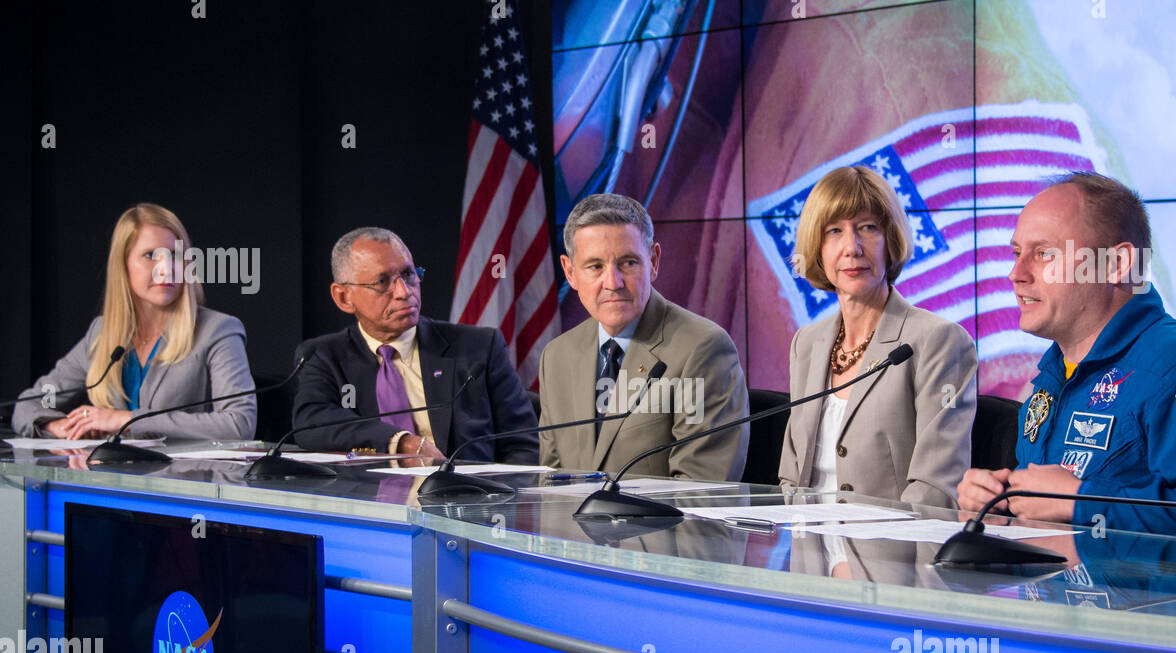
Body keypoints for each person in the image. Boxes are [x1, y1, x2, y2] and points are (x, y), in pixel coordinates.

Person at [957, 172, 1176, 544]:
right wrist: (1000, 504)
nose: (1015, 274)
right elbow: (1051, 521)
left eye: (1044, 254)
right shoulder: (1053, 377)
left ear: (1117, 264)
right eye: (1016, 253)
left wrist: (1082, 502)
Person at [778, 166, 977, 507]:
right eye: (833, 231)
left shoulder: (938, 342)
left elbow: (935, 487)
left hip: (895, 553)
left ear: (891, 240)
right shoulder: (806, 344)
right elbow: (790, 475)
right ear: (816, 247)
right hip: (808, 550)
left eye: (868, 228)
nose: (851, 248)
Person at [537, 194, 749, 480]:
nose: (613, 283)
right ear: (570, 272)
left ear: (653, 261)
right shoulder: (556, 356)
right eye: (595, 266)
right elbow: (549, 484)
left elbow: (700, 493)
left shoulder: (702, 348)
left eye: (628, 263)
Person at [292, 227, 537, 462]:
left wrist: (499, 496)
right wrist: (400, 442)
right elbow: (312, 422)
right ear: (344, 297)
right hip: (370, 500)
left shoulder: (479, 348)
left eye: (409, 275)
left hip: (467, 498)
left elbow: (523, 444)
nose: (403, 292)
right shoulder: (323, 356)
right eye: (382, 282)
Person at [11, 203, 255, 440]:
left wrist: (126, 420)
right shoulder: (101, 334)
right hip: (108, 477)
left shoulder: (217, 330)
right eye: (150, 255)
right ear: (123, 265)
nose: (166, 268)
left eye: (175, 255)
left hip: (184, 478)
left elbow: (238, 422)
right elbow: (39, 400)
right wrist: (57, 425)